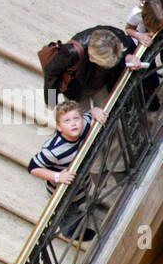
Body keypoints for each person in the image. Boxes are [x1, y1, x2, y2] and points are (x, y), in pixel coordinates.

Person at [27, 100, 108, 242]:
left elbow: (90, 114)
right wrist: (57, 176)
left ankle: (83, 209)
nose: (73, 123)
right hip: (64, 192)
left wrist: (94, 110)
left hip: (82, 183)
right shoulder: (54, 150)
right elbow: (33, 167)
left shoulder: (84, 126)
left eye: (76, 119)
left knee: (82, 199)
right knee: (68, 214)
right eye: (67, 121)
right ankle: (71, 233)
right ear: (59, 127)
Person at [42, 25, 141, 106]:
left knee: (107, 114)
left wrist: (127, 56)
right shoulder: (71, 52)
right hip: (76, 92)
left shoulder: (115, 36)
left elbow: (122, 44)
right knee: (84, 122)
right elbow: (51, 74)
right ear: (93, 56)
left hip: (100, 84)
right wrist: (51, 101)